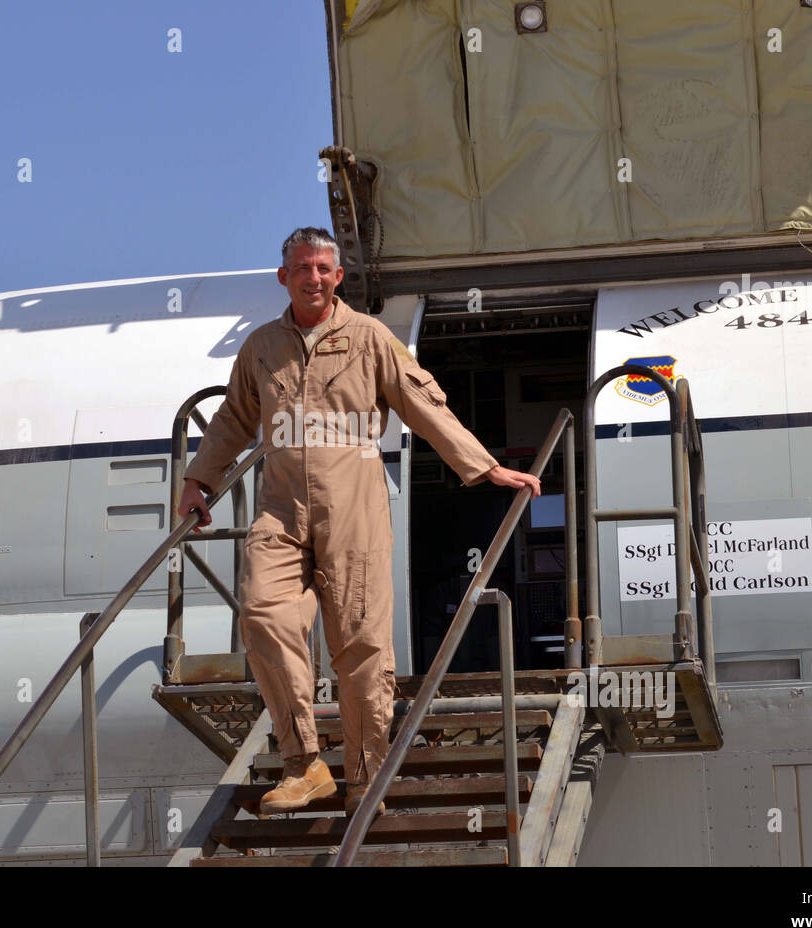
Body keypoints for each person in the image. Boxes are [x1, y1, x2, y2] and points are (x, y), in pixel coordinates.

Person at [178, 227, 540, 815]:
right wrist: (198, 481)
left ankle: (367, 779)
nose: (313, 278)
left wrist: (486, 467)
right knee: (263, 615)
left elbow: (424, 405)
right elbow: (233, 420)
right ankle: (306, 764)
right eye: (302, 268)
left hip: (355, 506)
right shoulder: (261, 347)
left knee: (362, 645)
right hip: (281, 508)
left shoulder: (370, 338)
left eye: (323, 268)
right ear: (284, 277)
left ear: (337, 276)